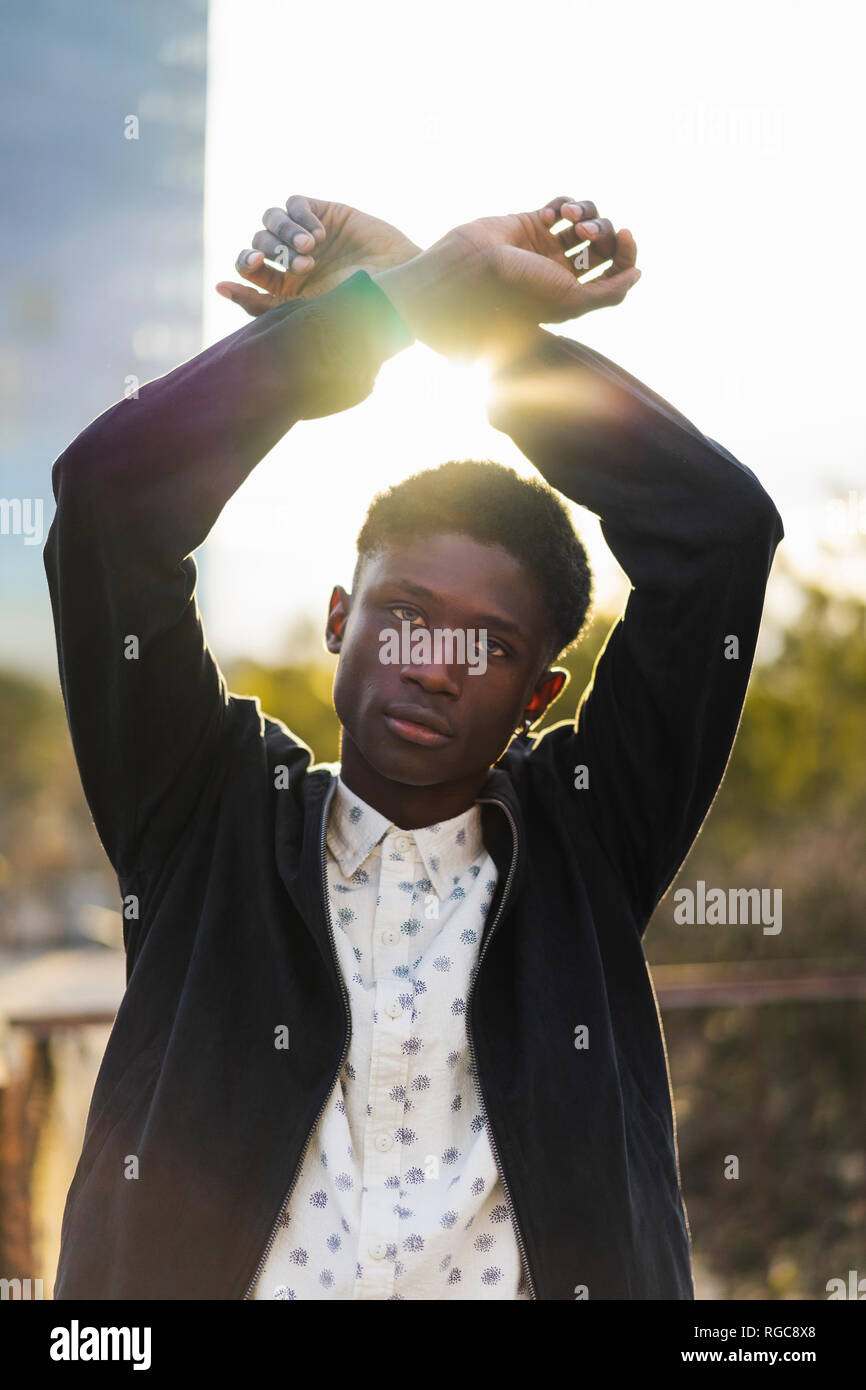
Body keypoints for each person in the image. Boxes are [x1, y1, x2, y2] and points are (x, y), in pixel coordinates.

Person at [44, 192, 783, 1300]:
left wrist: (486, 338)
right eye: (404, 613)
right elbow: (109, 507)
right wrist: (390, 307)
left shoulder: (590, 838)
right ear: (340, 618)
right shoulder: (199, 812)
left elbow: (720, 535)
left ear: (539, 690)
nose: (434, 662)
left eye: (486, 644)